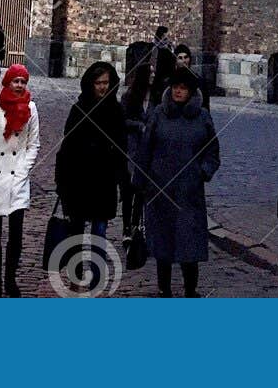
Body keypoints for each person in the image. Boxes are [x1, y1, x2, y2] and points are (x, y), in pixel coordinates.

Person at [140, 67, 220, 297]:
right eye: (175, 87)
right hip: (160, 188)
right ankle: (164, 289)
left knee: (189, 242)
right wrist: (142, 181)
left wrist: (202, 172)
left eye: (183, 88)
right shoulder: (158, 114)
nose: (178, 91)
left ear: (190, 91)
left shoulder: (202, 117)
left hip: (189, 191)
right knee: (162, 241)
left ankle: (190, 289)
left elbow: (212, 152)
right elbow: (146, 149)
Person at [55, 62, 129, 287]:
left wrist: (122, 179)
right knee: (76, 231)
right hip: (79, 180)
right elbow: (67, 146)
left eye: (106, 83)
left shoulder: (115, 111)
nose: (103, 87)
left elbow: (121, 148)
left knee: (99, 233)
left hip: (104, 181)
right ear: (90, 84)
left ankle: (96, 278)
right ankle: (76, 276)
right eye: (98, 83)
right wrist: (62, 180)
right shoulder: (79, 109)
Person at [0, 62, 40, 297]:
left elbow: (34, 144)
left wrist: (24, 171)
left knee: (16, 233)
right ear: (8, 82)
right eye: (16, 81)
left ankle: (11, 279)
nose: (19, 85)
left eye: (23, 82)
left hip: (18, 178)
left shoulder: (32, 109)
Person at [120, 62, 153, 238]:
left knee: (141, 192)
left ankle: (135, 226)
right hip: (130, 149)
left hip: (147, 151)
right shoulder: (129, 97)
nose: (154, 76)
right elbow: (122, 121)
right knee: (128, 191)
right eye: (151, 73)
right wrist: (139, 126)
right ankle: (126, 227)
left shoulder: (156, 98)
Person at [171, 43, 209, 108]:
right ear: (176, 60)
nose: (184, 61)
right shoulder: (170, 79)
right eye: (180, 58)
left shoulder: (198, 80)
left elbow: (205, 104)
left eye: (186, 57)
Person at [149, 25, 175, 100]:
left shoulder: (170, 46)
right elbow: (152, 61)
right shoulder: (154, 47)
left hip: (168, 74)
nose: (166, 37)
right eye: (164, 35)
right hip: (157, 75)